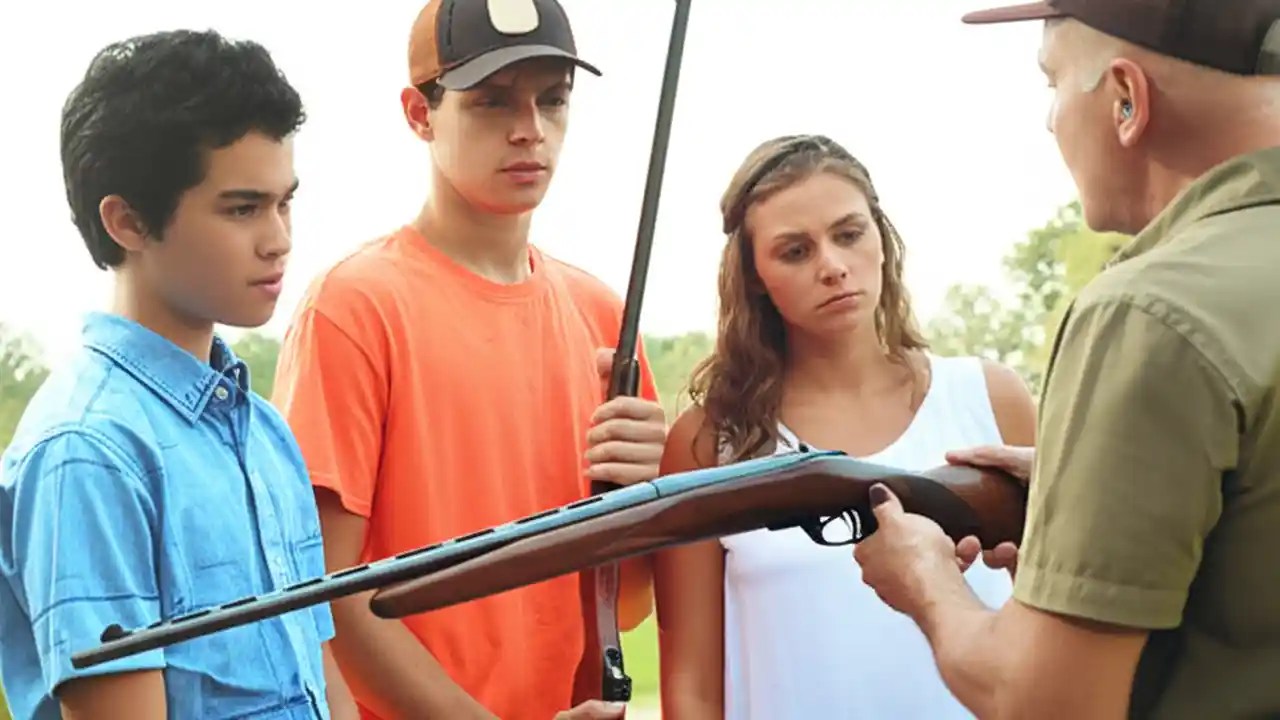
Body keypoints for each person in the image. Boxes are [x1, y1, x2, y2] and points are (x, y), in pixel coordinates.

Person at [853, 1, 1280, 718]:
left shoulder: (1148, 312)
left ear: (1125, 100)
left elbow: (1047, 703)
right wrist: (1083, 491)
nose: (1049, 120)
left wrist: (925, 579)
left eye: (1051, 83)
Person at [269, 1, 667, 718]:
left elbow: (628, 602)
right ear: (419, 115)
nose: (529, 130)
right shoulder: (354, 307)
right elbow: (320, 593)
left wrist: (653, 489)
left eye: (553, 100)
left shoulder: (605, 316)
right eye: (490, 102)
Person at [0, 29, 356, 720]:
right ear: (128, 221)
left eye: (285, 203)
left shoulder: (264, 432)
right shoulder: (88, 452)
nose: (278, 237)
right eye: (243, 208)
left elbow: (321, 684)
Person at [651, 134, 1038, 719]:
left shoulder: (991, 398)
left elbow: (1065, 636)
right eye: (795, 251)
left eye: (849, 234)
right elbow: (693, 689)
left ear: (882, 239)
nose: (833, 267)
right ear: (754, 274)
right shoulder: (709, 443)